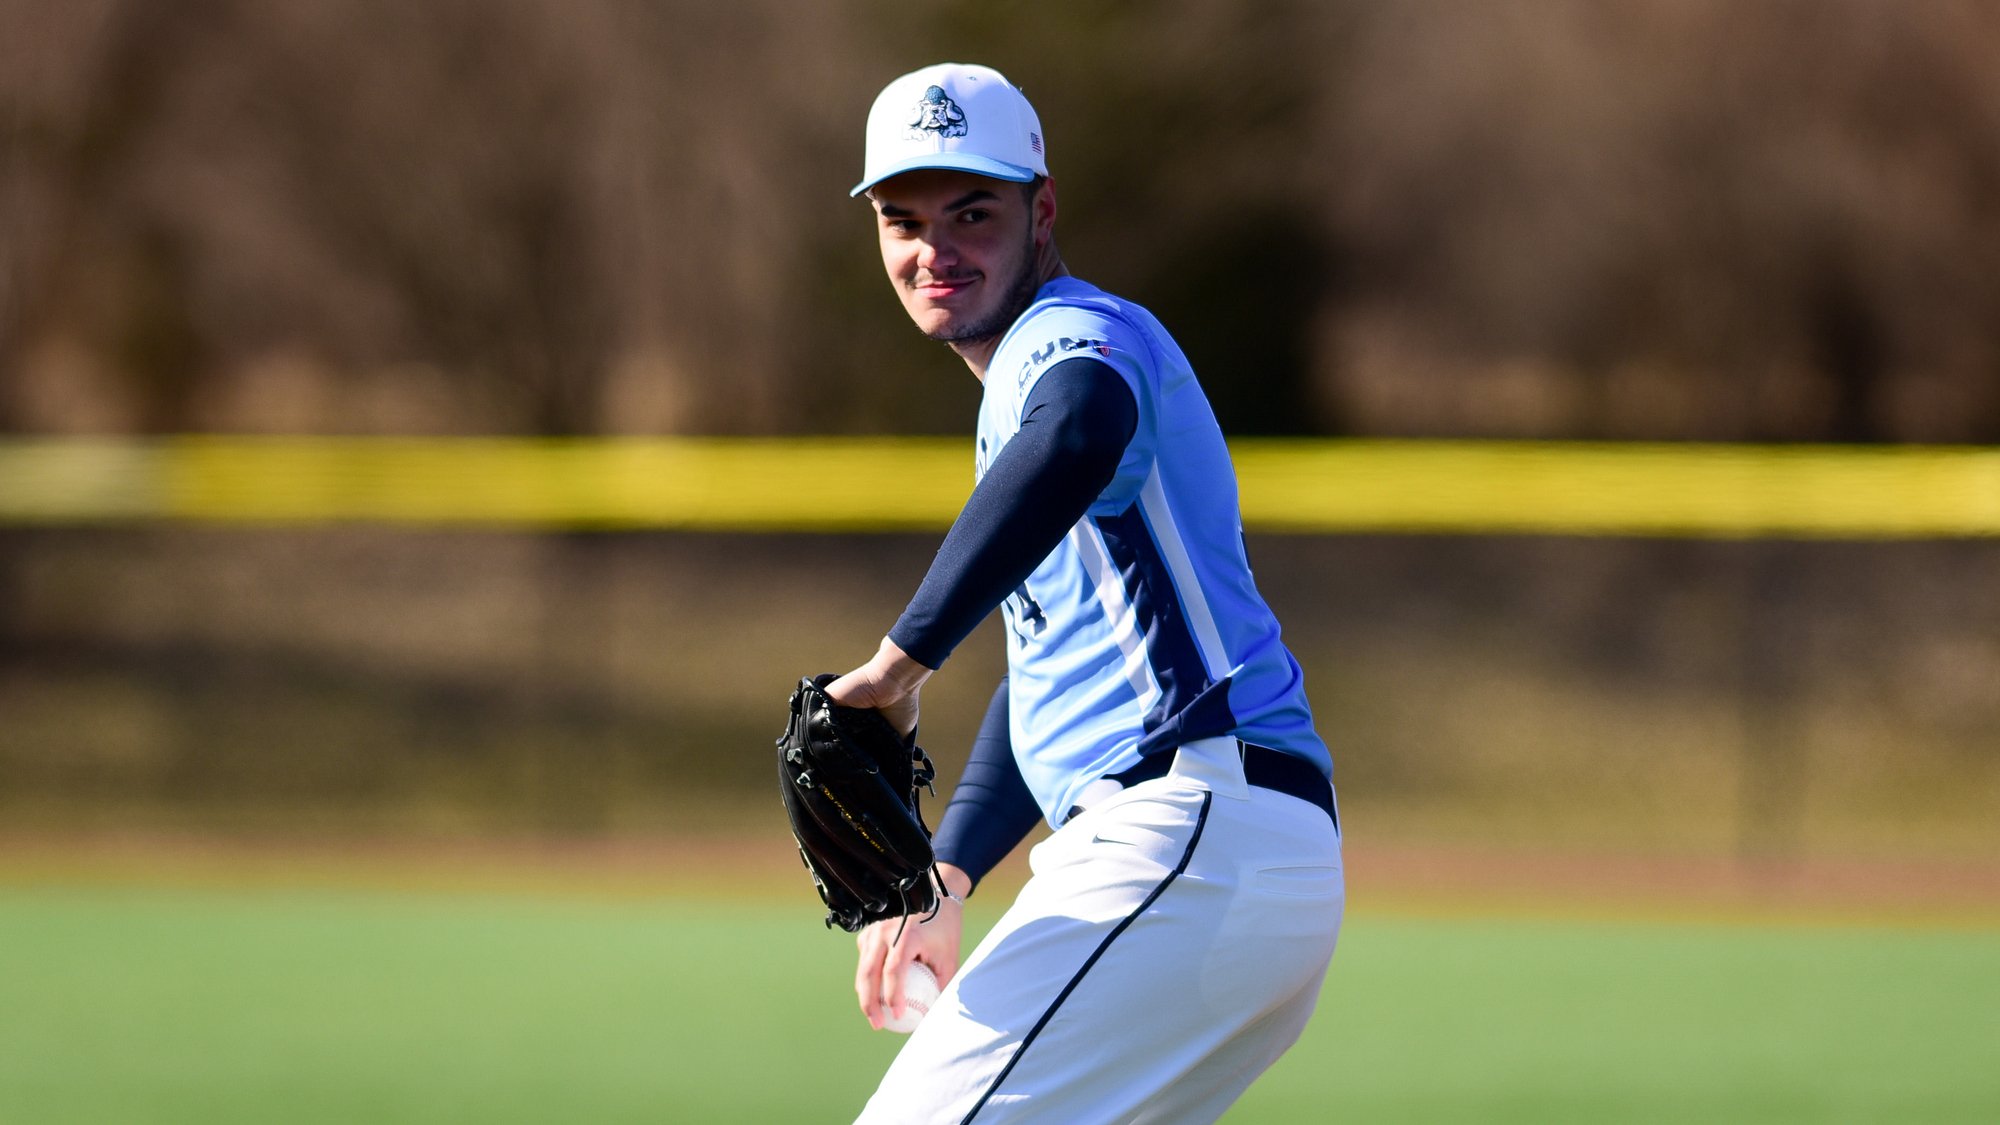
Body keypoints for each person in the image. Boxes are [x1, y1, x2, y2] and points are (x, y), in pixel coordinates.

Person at [826, 62, 1344, 1124]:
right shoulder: (1019, 393)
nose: (935, 249)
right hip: (1220, 854)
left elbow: (1079, 425)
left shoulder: (1066, 339)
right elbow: (1054, 674)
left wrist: (895, 667)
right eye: (902, 219)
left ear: (1041, 209)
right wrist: (947, 873)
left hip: (1187, 834)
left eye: (972, 210)